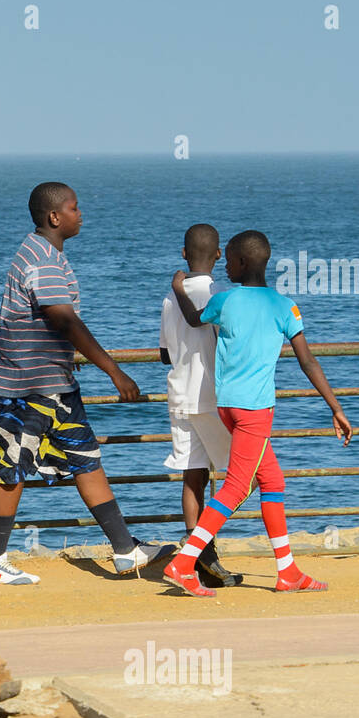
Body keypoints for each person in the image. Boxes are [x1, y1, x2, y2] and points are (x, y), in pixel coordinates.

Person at [0, 182, 174, 585]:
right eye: (74, 207)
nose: (80, 213)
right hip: (28, 383)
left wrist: (67, 359)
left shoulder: (43, 253)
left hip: (53, 380)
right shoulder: (43, 260)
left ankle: (125, 550)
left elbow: (50, 325)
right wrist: (114, 371)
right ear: (54, 217)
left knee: (86, 458)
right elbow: (64, 320)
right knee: (12, 465)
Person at [162, 229, 353, 598]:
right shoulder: (285, 306)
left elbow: (193, 319)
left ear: (243, 262)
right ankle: (184, 563)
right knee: (236, 487)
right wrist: (336, 406)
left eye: (230, 260)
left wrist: (180, 290)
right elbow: (307, 361)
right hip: (255, 409)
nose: (225, 265)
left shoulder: (227, 301)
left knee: (273, 481)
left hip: (228, 406)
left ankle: (288, 571)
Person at [158, 223, 241, 587]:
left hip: (180, 393)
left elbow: (164, 354)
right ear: (220, 255)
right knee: (242, 479)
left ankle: (198, 553)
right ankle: (201, 550)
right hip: (212, 396)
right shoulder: (222, 294)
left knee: (194, 475)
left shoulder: (168, 298)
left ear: (183, 254)